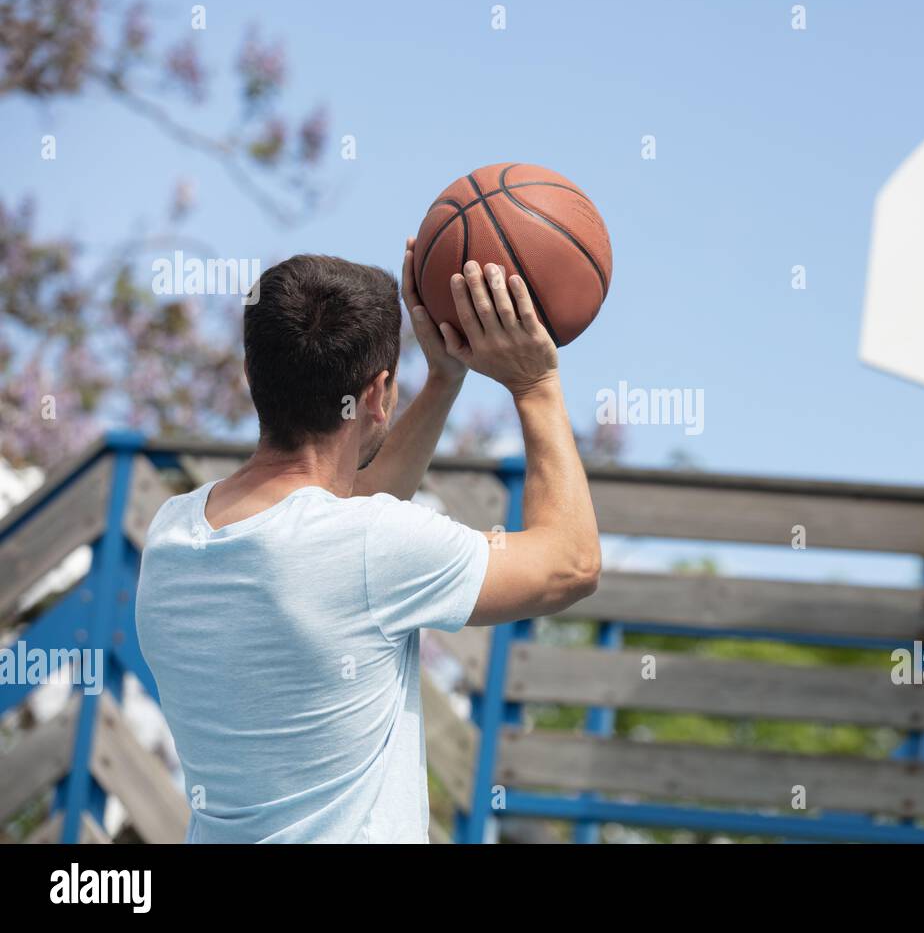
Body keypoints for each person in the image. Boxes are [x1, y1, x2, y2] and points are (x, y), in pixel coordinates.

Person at [135, 241, 600, 842]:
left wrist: (443, 380)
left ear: (251, 375)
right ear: (378, 395)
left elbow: (331, 522)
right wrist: (536, 384)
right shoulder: (367, 545)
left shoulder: (172, 534)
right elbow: (572, 563)